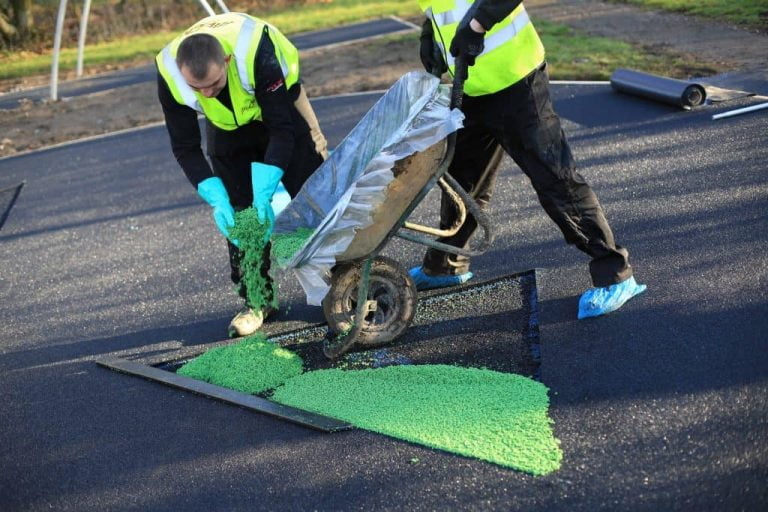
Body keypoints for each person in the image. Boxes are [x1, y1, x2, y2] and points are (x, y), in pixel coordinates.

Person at [413, 0, 645, 319]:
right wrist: (428, 34)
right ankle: (445, 265)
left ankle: (614, 273)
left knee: (554, 177)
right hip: (470, 85)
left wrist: (478, 24)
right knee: (463, 181)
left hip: (516, 80)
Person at [156, 12, 328, 336]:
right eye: (198, 88)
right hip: (227, 130)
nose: (207, 94)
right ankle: (258, 300)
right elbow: (185, 147)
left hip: (276, 111)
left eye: (214, 84)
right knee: (241, 217)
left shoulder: (255, 52)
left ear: (227, 59)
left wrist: (266, 189)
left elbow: (281, 130)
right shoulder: (169, 72)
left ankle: (343, 277)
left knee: (314, 194)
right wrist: (213, 194)